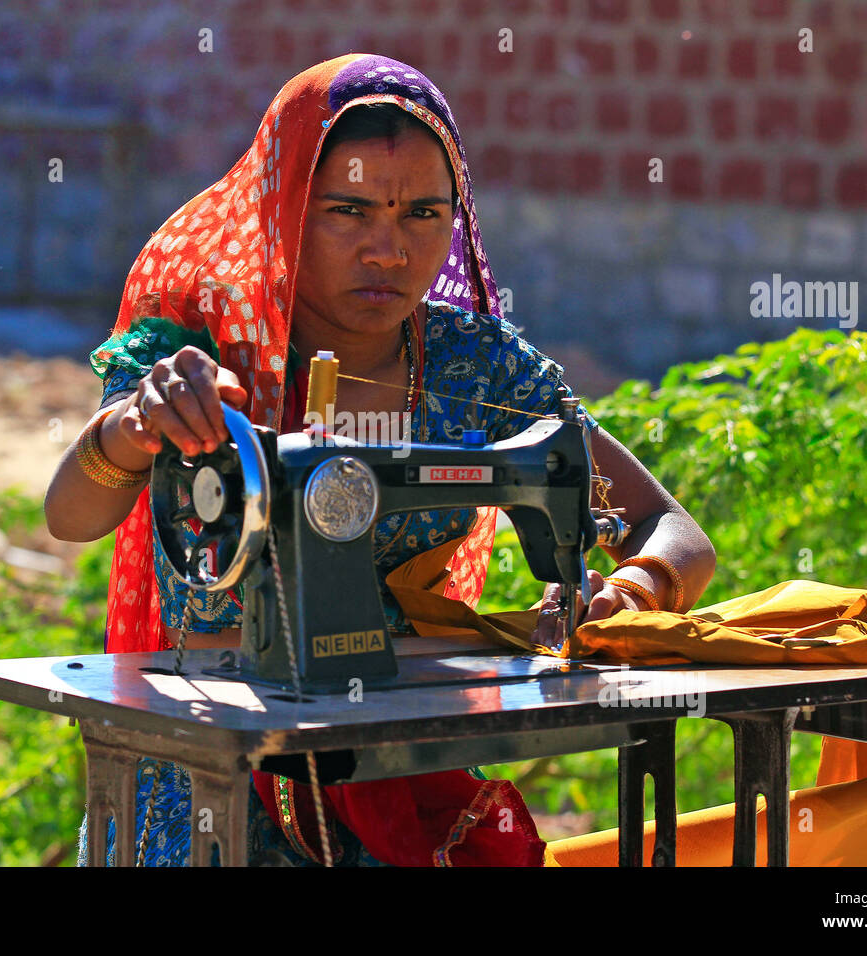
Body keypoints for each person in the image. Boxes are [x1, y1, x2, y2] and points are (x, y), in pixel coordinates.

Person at [45, 54, 716, 866]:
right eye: (349, 211)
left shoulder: (478, 366)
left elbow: (667, 528)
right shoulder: (198, 344)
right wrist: (137, 425)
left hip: (397, 765)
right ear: (286, 207)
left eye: (423, 213)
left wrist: (631, 587)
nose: (389, 251)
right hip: (205, 786)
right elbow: (71, 515)